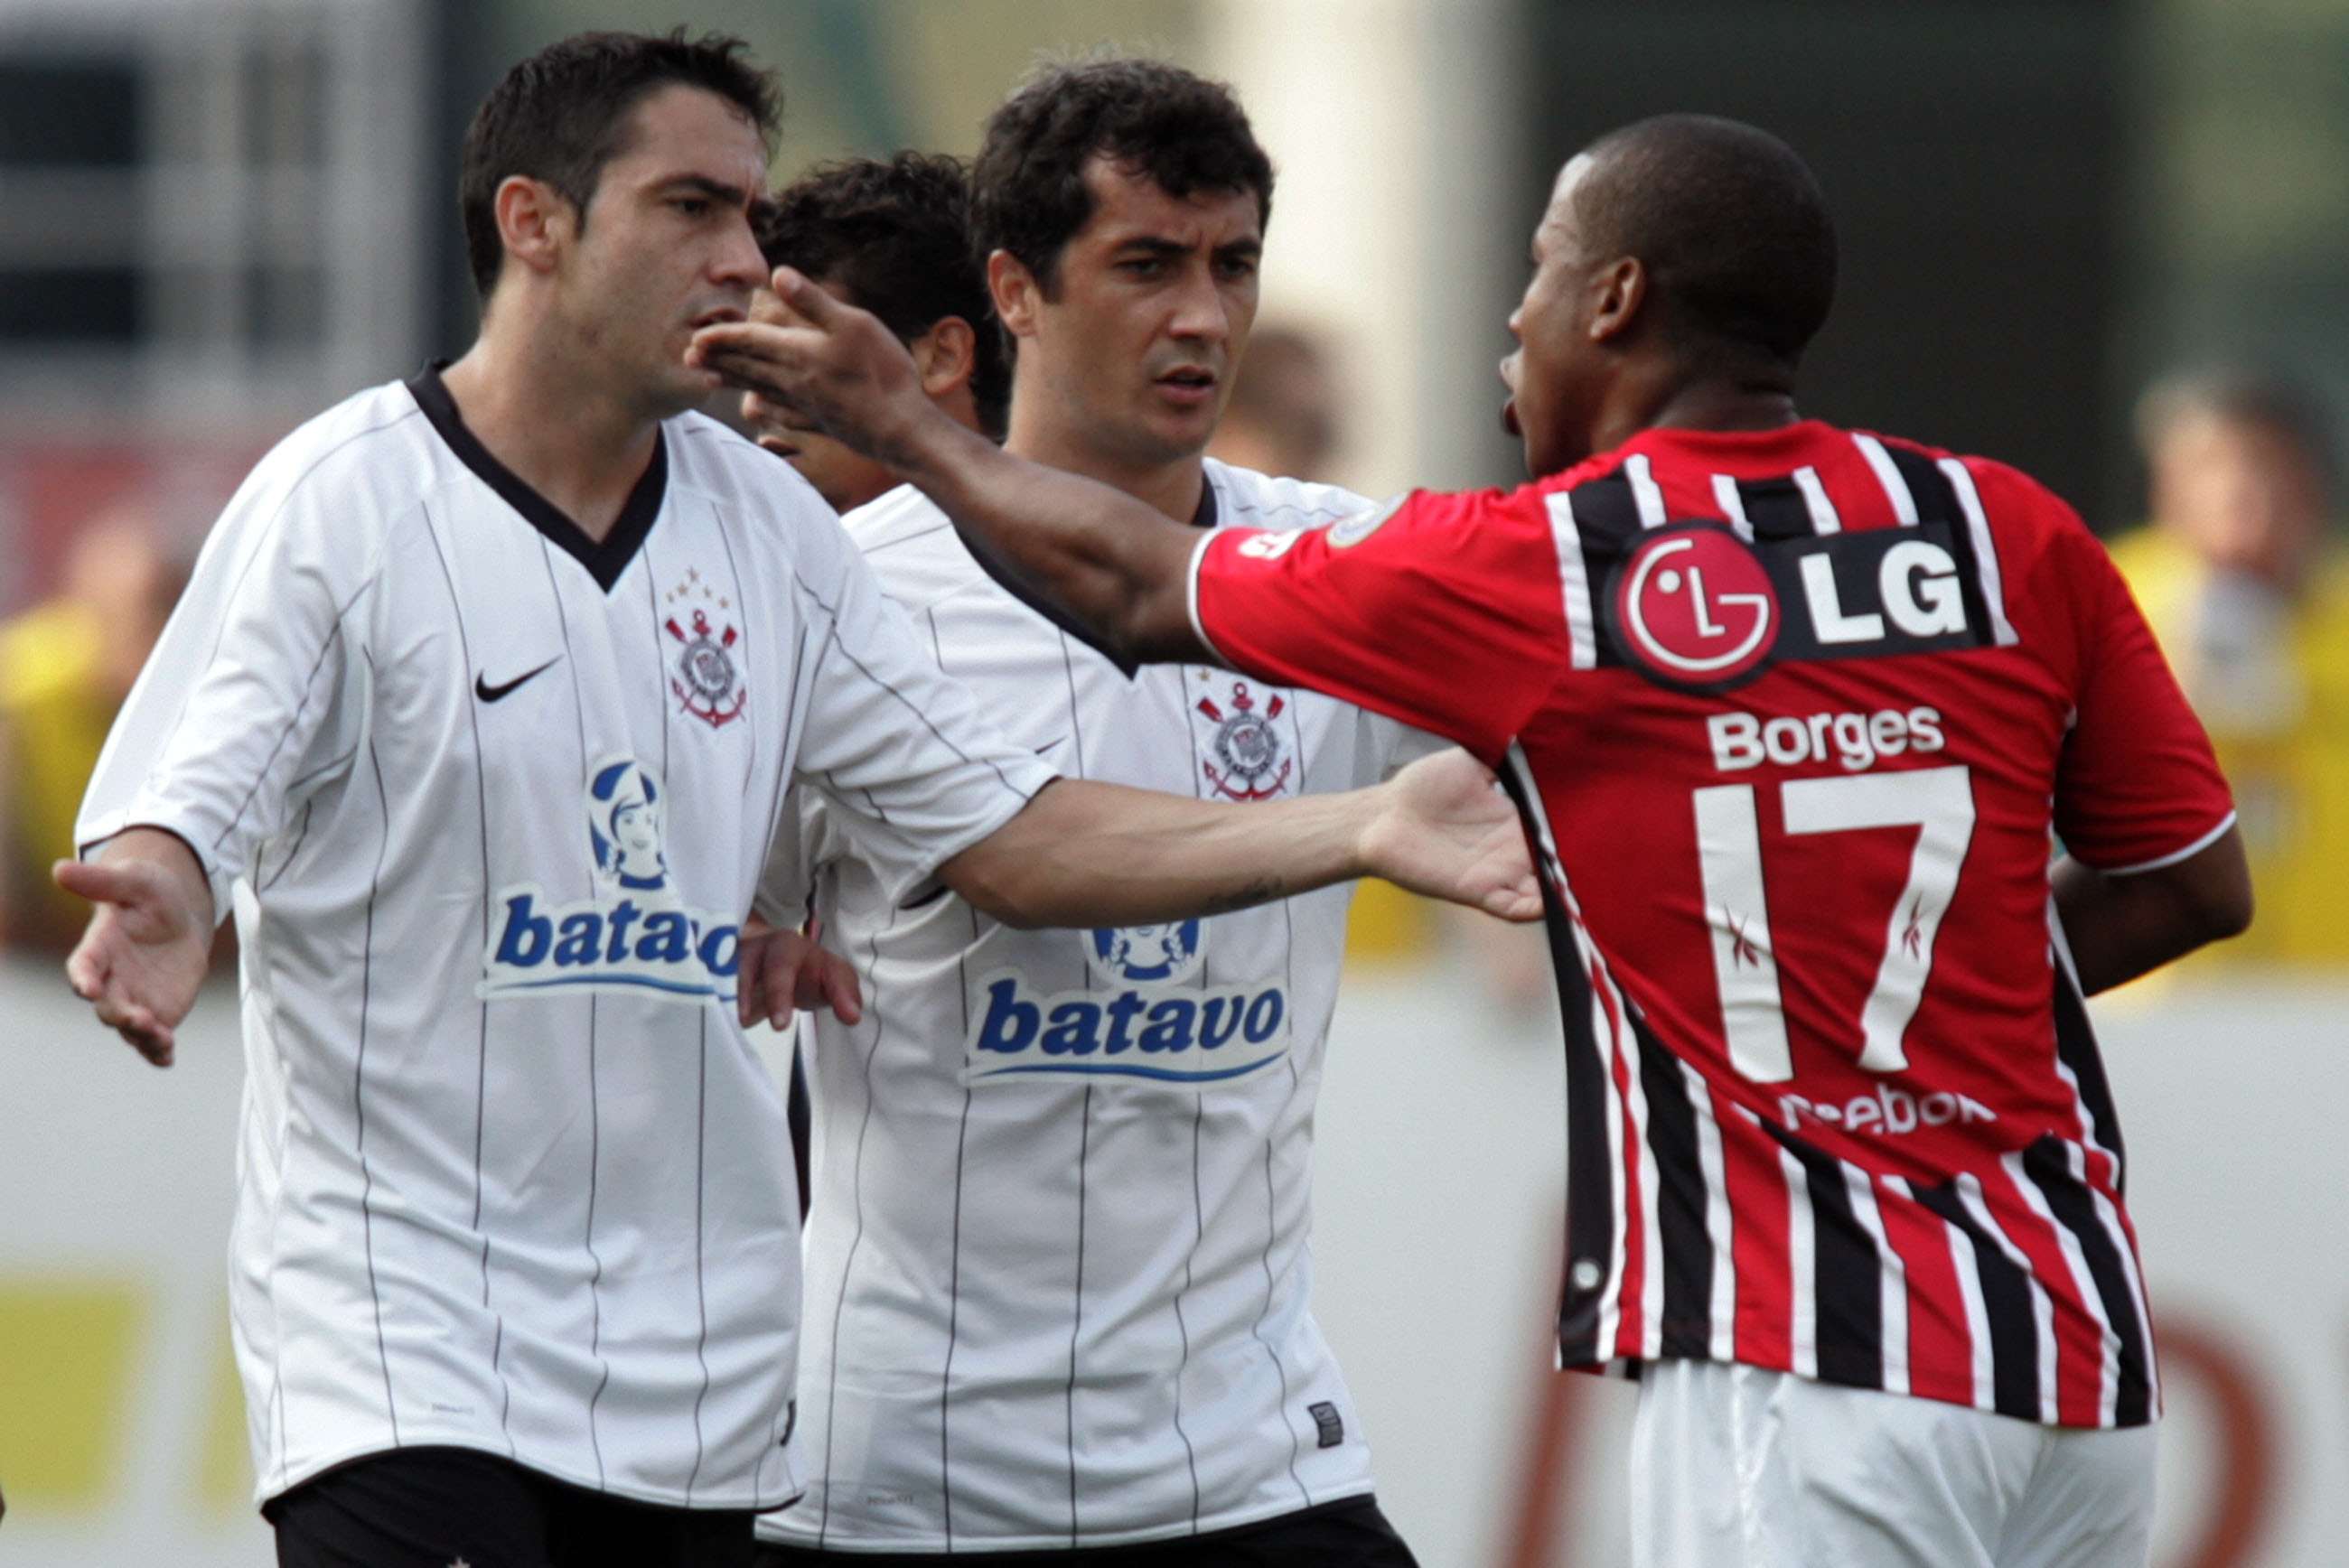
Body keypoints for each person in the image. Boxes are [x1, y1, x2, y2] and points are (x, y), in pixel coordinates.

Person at [53, 32, 1535, 1568]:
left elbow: (1007, 838)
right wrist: (166, 876)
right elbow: (196, 781)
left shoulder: (782, 535)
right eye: (691, 209)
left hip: (740, 1410)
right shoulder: (350, 494)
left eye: (748, 217)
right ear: (533, 221)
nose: (738, 259)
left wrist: (1370, 830)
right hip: (541, 1388)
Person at [693, 112, 2255, 1567]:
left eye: (1540, 276)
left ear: (1616, 298)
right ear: (1017, 291)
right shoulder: (2007, 525)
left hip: (1804, 1364)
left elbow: (1130, 592)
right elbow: (2192, 882)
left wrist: (909, 426)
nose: (1511, 324)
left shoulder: (1536, 568)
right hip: (2077, 1361)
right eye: (1153, 265)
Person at [739, 61, 1434, 1566]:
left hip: (1250, 1466)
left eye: (1231, 264)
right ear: (1016, 291)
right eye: (1145, 264)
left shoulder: (1349, 573)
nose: (1201, 315)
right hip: (900, 1483)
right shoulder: (845, 594)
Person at [2109, 365, 2349, 965]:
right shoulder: (2110, 599)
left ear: (2310, 480)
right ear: (2165, 488)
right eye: (2210, 467)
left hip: (2327, 990)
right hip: (2156, 996)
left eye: (2264, 464)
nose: (2240, 491)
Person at [752, 153, 1007, 513]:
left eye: (796, 355)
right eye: (753, 359)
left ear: (942, 357)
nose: (753, 405)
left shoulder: (1083, 550)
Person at [0, 506, 181, 952]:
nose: (154, 634)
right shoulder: (21, 693)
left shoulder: (205, 697)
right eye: (145, 609)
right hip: (35, 965)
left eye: (172, 614)